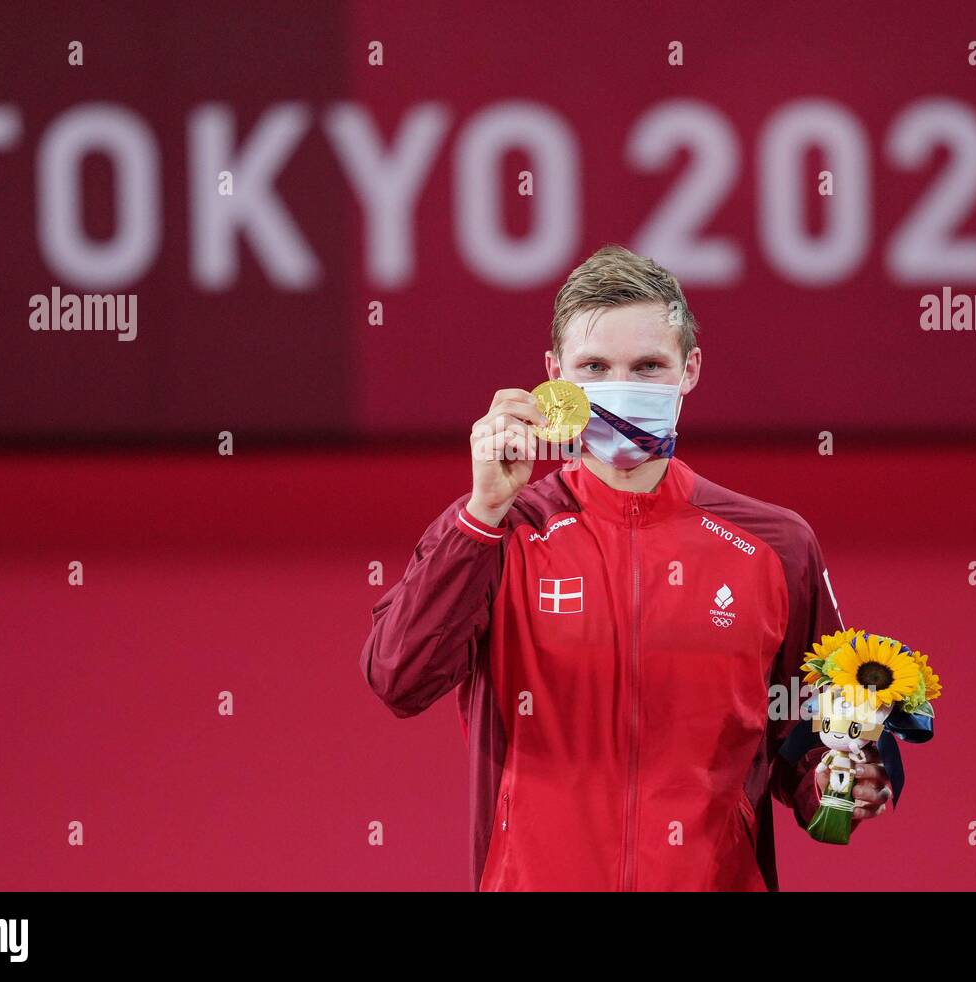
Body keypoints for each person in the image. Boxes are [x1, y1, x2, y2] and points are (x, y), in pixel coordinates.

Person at [360, 244, 892, 891]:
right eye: (595, 367)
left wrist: (842, 786)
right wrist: (481, 512)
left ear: (689, 370)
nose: (623, 387)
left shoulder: (775, 546)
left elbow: (806, 739)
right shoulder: (501, 533)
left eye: (647, 366)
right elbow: (397, 677)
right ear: (556, 378)